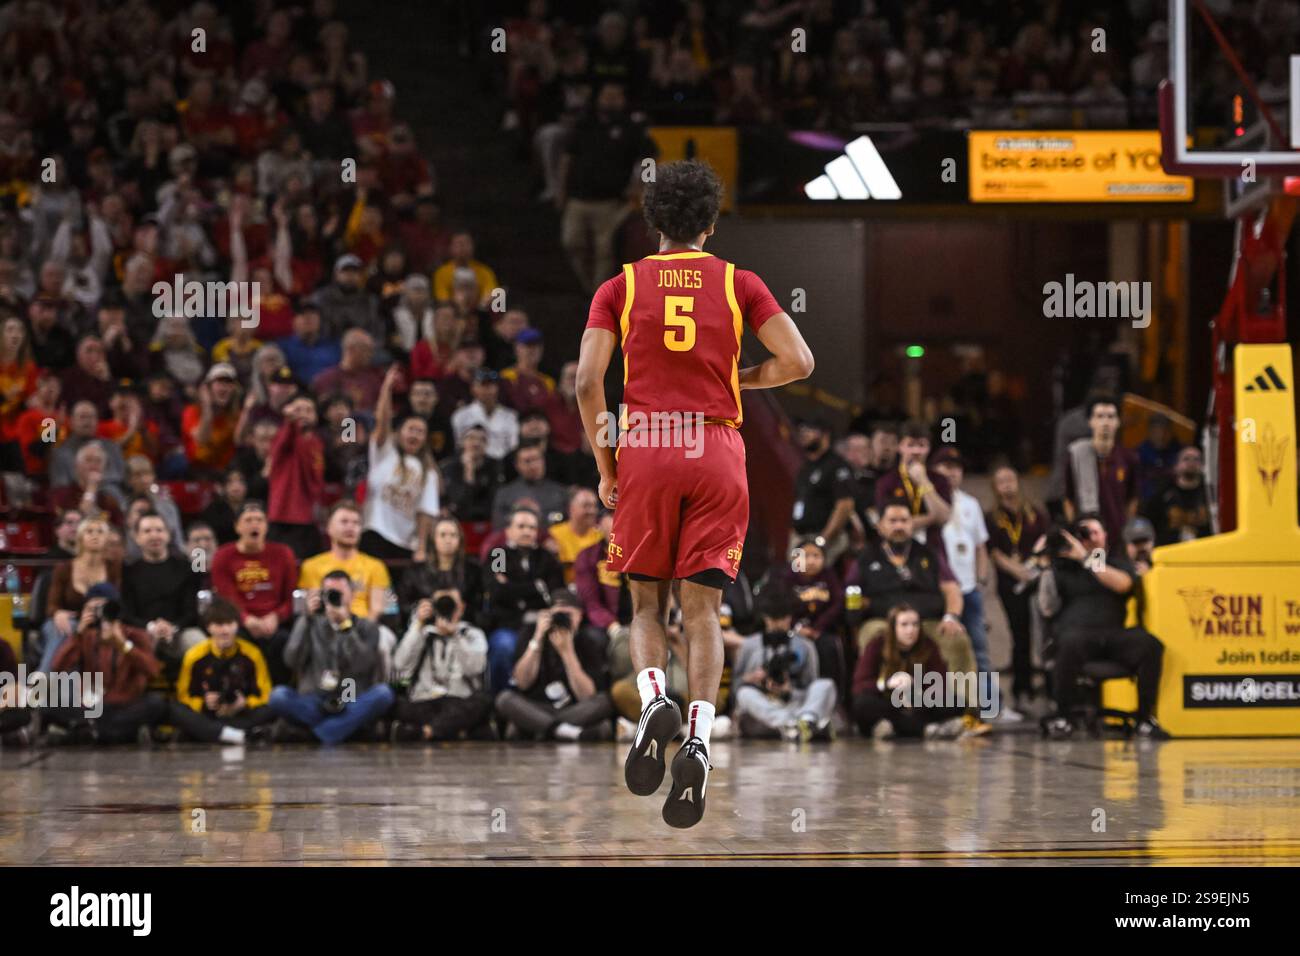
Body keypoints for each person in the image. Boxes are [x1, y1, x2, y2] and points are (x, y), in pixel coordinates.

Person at [577, 158, 813, 828]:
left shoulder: (618, 286)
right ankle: (702, 739)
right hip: (715, 448)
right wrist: (742, 381)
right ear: (710, 222)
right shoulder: (741, 282)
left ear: (652, 221)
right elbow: (800, 362)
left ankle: (655, 701)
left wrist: (606, 461)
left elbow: (586, 383)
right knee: (703, 612)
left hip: (649, 444)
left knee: (646, 604)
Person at [1037, 514, 1167, 739]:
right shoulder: (1064, 568)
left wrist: (1088, 559)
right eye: (1086, 533)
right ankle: (1063, 717)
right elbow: (1046, 607)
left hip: (1113, 636)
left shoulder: (1116, 562)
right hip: (1078, 639)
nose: (1092, 538)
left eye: (1096, 532)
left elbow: (1123, 584)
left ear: (1106, 536)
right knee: (1067, 642)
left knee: (1150, 645)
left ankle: (1145, 719)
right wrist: (1044, 556)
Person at [270, 571, 396, 744]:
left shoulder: (366, 626)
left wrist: (346, 626)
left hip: (349, 695)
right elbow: (291, 660)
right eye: (329, 593)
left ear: (352, 595)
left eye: (339, 594)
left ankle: (317, 735)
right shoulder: (309, 623)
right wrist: (306, 619)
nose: (335, 599)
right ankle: (340, 730)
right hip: (315, 696)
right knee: (278, 696)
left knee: (383, 694)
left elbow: (363, 664)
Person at [42, 584, 167, 746]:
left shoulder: (135, 635)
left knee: (156, 703)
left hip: (125, 704)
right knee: (48, 701)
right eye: (94, 609)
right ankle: (112, 733)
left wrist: (123, 645)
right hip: (93, 706)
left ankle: (89, 732)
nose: (101, 615)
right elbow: (58, 667)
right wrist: (78, 634)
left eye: (105, 608)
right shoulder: (86, 637)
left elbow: (153, 671)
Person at [494, 590, 614, 740]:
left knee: (604, 701)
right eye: (557, 615)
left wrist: (567, 653)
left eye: (568, 615)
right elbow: (522, 683)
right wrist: (537, 640)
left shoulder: (588, 641)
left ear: (580, 616)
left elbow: (587, 696)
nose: (562, 620)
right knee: (504, 699)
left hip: (573, 709)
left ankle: (541, 729)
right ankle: (568, 732)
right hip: (537, 706)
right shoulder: (531, 633)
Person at [732, 585, 837, 741]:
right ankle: (795, 725)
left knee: (825, 685)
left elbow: (811, 685)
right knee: (744, 694)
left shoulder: (804, 645)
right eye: (773, 619)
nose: (777, 624)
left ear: (789, 618)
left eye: (782, 618)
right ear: (765, 618)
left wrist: (789, 691)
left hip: (795, 702)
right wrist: (750, 679)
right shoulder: (749, 645)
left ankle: (805, 721)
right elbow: (736, 687)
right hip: (765, 703)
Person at [210, 501, 299, 685]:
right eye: (248, 520)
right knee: (233, 639)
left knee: (283, 641)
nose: (254, 524)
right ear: (237, 526)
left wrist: (276, 617)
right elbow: (226, 598)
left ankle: (278, 693)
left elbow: (291, 598)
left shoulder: (284, 553)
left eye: (259, 520)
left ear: (266, 526)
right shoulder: (223, 555)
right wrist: (246, 619)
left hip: (275, 623)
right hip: (240, 622)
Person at [986, 464, 1050, 710]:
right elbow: (993, 551)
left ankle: (1050, 685)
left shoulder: (1034, 512)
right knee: (1020, 634)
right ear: (994, 487)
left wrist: (1036, 565)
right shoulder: (992, 517)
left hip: (1038, 576)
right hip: (1010, 582)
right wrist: (1018, 571)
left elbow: (1047, 540)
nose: (1007, 484)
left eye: (1010, 479)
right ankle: (1022, 689)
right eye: (1001, 481)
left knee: (1045, 632)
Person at [390, 587, 492, 741]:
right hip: (425, 700)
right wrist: (417, 624)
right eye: (441, 604)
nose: (446, 608)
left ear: (462, 608)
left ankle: (426, 732)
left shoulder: (472, 634)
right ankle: (453, 730)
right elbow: (400, 664)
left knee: (483, 702)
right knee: (392, 701)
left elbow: (475, 668)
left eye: (451, 604)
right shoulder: (423, 632)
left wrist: (456, 636)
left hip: (459, 699)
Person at [930, 447, 995, 686]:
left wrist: (981, 579)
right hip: (940, 589)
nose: (951, 472)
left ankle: (990, 706)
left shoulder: (971, 503)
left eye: (956, 467)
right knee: (941, 650)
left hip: (968, 588)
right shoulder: (928, 503)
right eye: (945, 467)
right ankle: (949, 707)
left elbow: (980, 546)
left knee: (979, 648)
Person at [482, 506, 566, 692]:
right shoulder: (499, 554)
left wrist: (511, 587)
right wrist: (536, 587)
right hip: (508, 624)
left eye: (532, 528)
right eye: (521, 526)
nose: (527, 531)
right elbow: (496, 591)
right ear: (508, 531)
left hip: (542, 625)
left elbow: (554, 594)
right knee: (503, 647)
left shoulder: (547, 557)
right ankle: (502, 703)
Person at [851, 604, 965, 739]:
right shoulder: (877, 644)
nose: (910, 630)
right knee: (862, 705)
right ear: (893, 627)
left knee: (957, 702)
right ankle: (924, 729)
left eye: (915, 625)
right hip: (886, 701)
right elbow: (860, 684)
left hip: (917, 702)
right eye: (904, 625)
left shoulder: (928, 645)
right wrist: (888, 684)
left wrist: (915, 690)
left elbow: (939, 685)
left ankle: (896, 729)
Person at [361, 366, 439, 560]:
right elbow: (383, 421)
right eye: (411, 429)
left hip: (404, 542)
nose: (415, 434)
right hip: (374, 533)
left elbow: (425, 511)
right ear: (399, 433)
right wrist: (386, 389)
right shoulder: (385, 453)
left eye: (420, 431)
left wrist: (421, 548)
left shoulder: (428, 472)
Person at [173, 598, 275, 744]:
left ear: (237, 626)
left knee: (272, 709)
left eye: (229, 624)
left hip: (241, 714)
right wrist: (204, 703)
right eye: (219, 625)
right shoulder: (195, 656)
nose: (225, 630)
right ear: (209, 627)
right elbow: (183, 696)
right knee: (175, 710)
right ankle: (237, 734)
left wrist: (244, 703)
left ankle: (215, 734)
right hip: (207, 714)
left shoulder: (252, 654)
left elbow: (265, 694)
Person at [120, 511, 204, 681]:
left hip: (179, 632)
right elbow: (126, 614)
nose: (154, 535)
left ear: (168, 534)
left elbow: (191, 612)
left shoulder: (186, 568)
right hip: (142, 632)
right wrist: (151, 627)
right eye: (147, 531)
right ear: (137, 537)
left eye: (159, 530)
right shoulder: (128, 572)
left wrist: (172, 627)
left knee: (198, 641)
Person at [38, 516, 122, 673]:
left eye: (100, 532)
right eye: (89, 531)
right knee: (64, 630)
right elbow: (51, 605)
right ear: (80, 538)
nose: (95, 535)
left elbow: (117, 602)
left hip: (100, 622)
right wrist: (57, 613)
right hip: (67, 621)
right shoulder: (64, 569)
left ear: (106, 539)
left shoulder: (113, 568)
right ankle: (41, 681)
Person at [1064, 394, 1139, 547]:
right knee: (1097, 569)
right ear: (1090, 421)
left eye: (1111, 417)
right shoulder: (1077, 454)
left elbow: (1133, 498)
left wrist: (1127, 530)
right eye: (1099, 416)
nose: (1105, 422)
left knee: (1120, 571)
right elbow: (1068, 499)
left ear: (1118, 422)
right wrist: (1075, 529)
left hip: (1118, 539)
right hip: (1090, 539)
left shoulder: (1128, 458)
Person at [873, 420, 953, 545]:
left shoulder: (939, 480)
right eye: (910, 445)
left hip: (932, 546)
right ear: (899, 447)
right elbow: (884, 524)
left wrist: (924, 481)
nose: (916, 451)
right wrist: (931, 518)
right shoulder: (886, 481)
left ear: (929, 448)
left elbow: (943, 518)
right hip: (896, 546)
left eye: (921, 446)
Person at [790, 417, 856, 566]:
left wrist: (823, 539)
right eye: (802, 430)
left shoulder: (837, 466)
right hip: (800, 537)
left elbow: (845, 506)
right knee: (796, 577)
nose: (804, 434)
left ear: (825, 434)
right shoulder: (805, 467)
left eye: (810, 430)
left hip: (826, 537)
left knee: (819, 577)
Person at [266, 393, 325, 558]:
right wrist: (290, 423)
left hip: (307, 518)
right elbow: (280, 447)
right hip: (282, 518)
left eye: (308, 410)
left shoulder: (316, 443)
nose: (304, 413)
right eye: (299, 409)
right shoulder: (283, 436)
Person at [398, 516, 484, 623]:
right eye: (442, 535)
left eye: (453, 535)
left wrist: (462, 608)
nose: (448, 540)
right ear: (433, 539)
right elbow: (404, 605)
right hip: (425, 626)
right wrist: (419, 610)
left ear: (460, 539)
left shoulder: (473, 571)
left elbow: (481, 606)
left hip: (463, 626)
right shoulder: (415, 571)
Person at [1141, 444, 1212, 545]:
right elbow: (1149, 524)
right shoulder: (1162, 495)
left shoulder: (1210, 495)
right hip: (1169, 551)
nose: (1191, 463)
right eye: (1186, 459)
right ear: (1176, 466)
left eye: (1196, 459)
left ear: (1202, 466)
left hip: (1204, 551)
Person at [182, 363, 243, 476]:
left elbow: (241, 441)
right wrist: (207, 408)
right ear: (207, 388)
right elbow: (201, 439)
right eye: (219, 382)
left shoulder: (237, 416)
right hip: (194, 469)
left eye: (228, 383)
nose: (224, 387)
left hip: (224, 473)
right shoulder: (191, 411)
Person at [491, 440, 568, 528]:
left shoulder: (560, 492)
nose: (533, 465)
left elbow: (567, 525)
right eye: (527, 461)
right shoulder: (505, 494)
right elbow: (499, 527)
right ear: (517, 465)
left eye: (537, 459)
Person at [450, 367, 519, 461]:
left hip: (502, 465)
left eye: (491, 385)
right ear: (473, 388)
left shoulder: (510, 416)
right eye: (483, 385)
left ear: (497, 388)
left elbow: (513, 447)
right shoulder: (461, 415)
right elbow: (458, 446)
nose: (487, 390)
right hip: (471, 463)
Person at [548, 488, 602, 584]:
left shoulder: (601, 536)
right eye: (586, 506)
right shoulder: (554, 534)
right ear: (570, 509)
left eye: (594, 506)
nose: (592, 511)